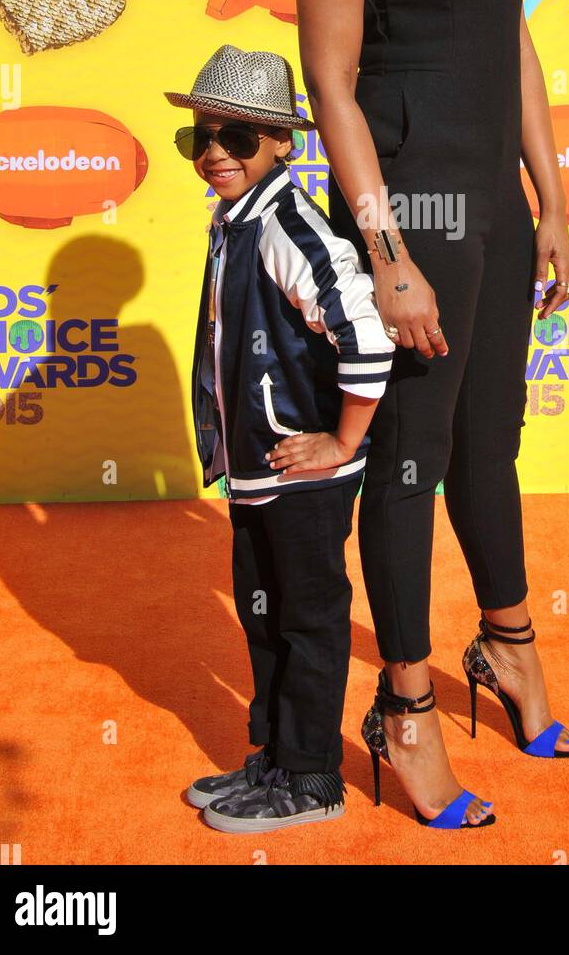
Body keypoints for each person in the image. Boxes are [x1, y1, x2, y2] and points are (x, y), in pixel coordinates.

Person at [296, 0, 569, 831]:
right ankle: (405, 705)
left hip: (494, 209)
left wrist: (551, 195)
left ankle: (508, 647)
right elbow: (330, 80)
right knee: (408, 462)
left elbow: (511, 39)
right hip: (411, 204)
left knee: (487, 443)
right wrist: (386, 252)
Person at [164, 44, 395, 834]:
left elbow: (367, 338)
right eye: (200, 138)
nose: (215, 154)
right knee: (264, 615)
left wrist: (339, 440)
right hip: (260, 472)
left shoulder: (288, 227)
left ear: (283, 144)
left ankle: (312, 779)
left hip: (305, 476)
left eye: (237, 137)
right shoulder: (237, 222)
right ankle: (276, 755)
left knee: (309, 616)